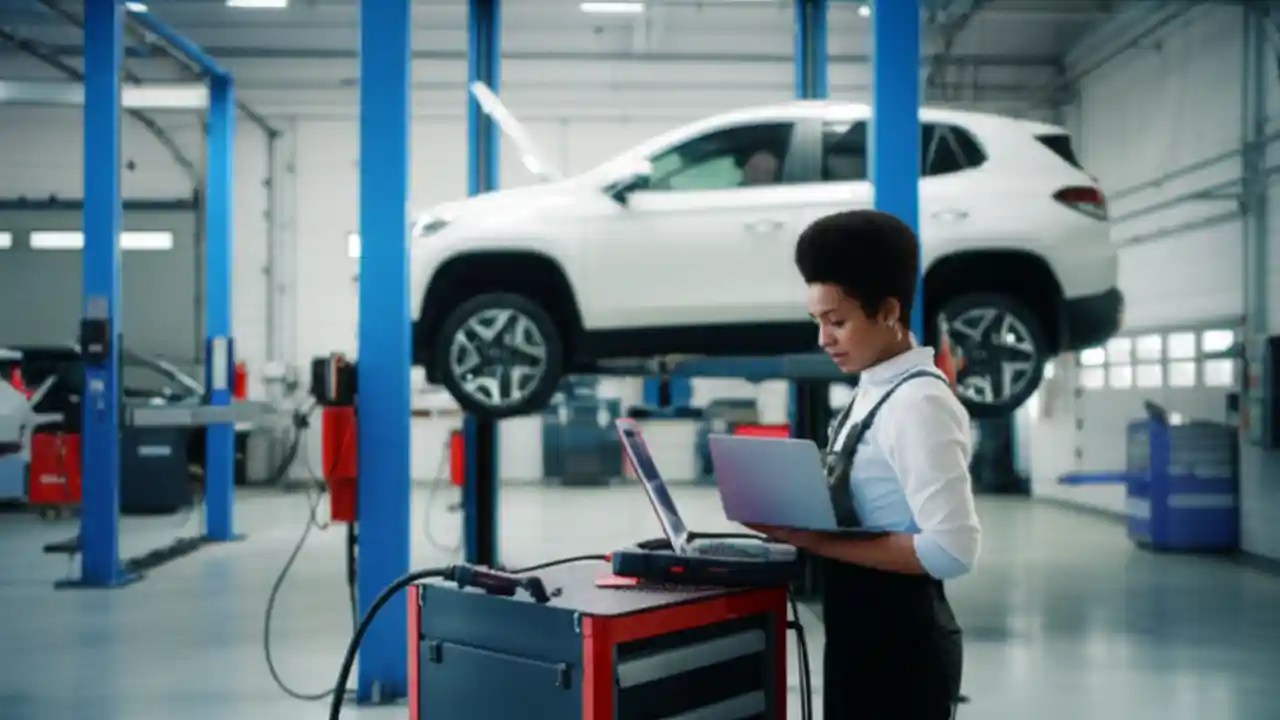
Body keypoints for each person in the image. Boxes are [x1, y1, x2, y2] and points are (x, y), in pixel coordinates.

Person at [748, 209, 981, 719]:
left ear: (889, 312)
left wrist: (810, 538)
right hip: (860, 633)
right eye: (818, 323)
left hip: (904, 652)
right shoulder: (872, 391)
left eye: (838, 322)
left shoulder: (919, 404)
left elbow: (953, 549)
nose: (823, 339)